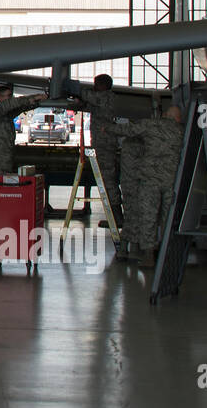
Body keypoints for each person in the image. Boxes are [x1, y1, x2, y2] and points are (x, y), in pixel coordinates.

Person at [109, 106, 185, 268]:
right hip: (172, 181)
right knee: (168, 218)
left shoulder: (151, 125)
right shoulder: (181, 131)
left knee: (148, 217)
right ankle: (166, 253)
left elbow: (128, 130)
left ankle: (148, 255)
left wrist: (107, 127)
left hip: (150, 181)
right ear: (178, 119)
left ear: (165, 115)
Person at [69, 74, 124, 233]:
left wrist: (77, 89)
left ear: (102, 86)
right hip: (101, 145)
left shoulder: (107, 97)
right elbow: (86, 105)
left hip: (105, 145)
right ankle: (115, 216)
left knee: (108, 179)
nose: (94, 87)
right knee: (107, 179)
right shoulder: (99, 100)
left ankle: (117, 217)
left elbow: (90, 97)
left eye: (96, 85)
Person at [0, 86, 48, 175]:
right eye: (8, 96)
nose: (11, 98)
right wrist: (36, 97)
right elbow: (15, 103)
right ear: (0, 97)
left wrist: (38, 101)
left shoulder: (6, 113)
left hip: (5, 154)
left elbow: (22, 106)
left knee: (4, 183)